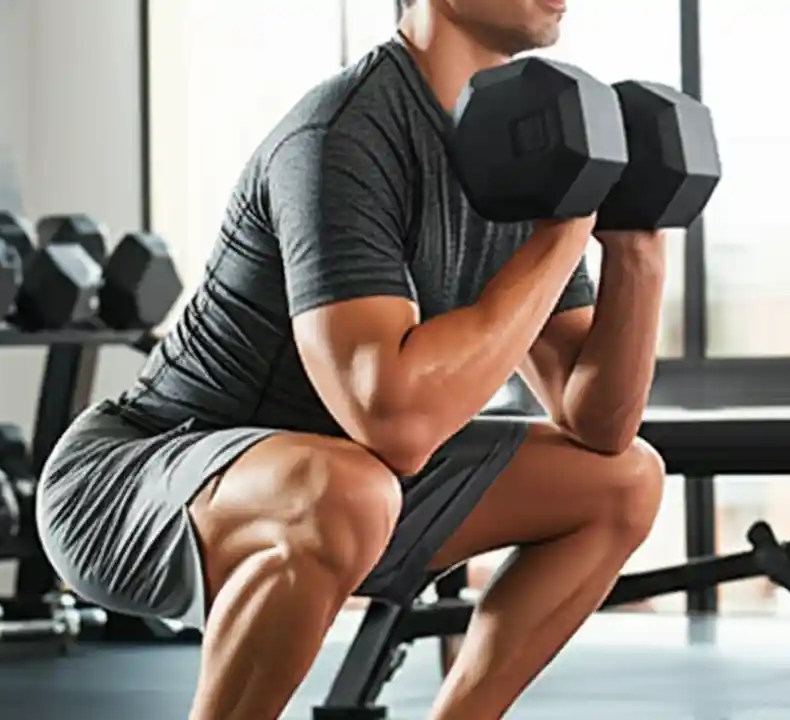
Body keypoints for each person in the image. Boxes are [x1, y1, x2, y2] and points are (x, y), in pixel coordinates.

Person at [35, 0, 667, 717]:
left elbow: (598, 423)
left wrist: (638, 249)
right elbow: (393, 423)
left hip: (345, 483)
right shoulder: (345, 133)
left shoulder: (521, 151)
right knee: (350, 489)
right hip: (136, 479)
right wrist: (566, 229)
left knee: (625, 482)